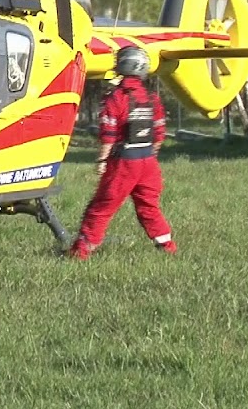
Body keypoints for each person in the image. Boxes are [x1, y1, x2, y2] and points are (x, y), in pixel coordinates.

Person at [68, 46, 176, 259]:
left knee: (101, 207)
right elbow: (159, 134)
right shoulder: (152, 98)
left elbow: (108, 134)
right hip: (148, 162)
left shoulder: (116, 97)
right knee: (149, 207)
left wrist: (102, 160)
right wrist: (148, 157)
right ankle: (167, 247)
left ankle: (81, 251)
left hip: (124, 163)